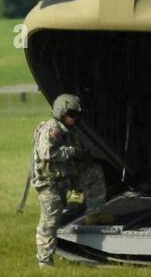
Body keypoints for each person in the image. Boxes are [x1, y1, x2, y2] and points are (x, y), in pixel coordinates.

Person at [31, 93, 107, 267]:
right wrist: (72, 151)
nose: (74, 119)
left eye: (76, 116)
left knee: (94, 172)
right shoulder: (51, 129)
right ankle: (44, 261)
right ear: (61, 112)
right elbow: (47, 154)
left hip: (65, 176)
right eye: (71, 115)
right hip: (49, 183)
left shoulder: (69, 131)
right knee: (50, 222)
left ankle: (94, 213)